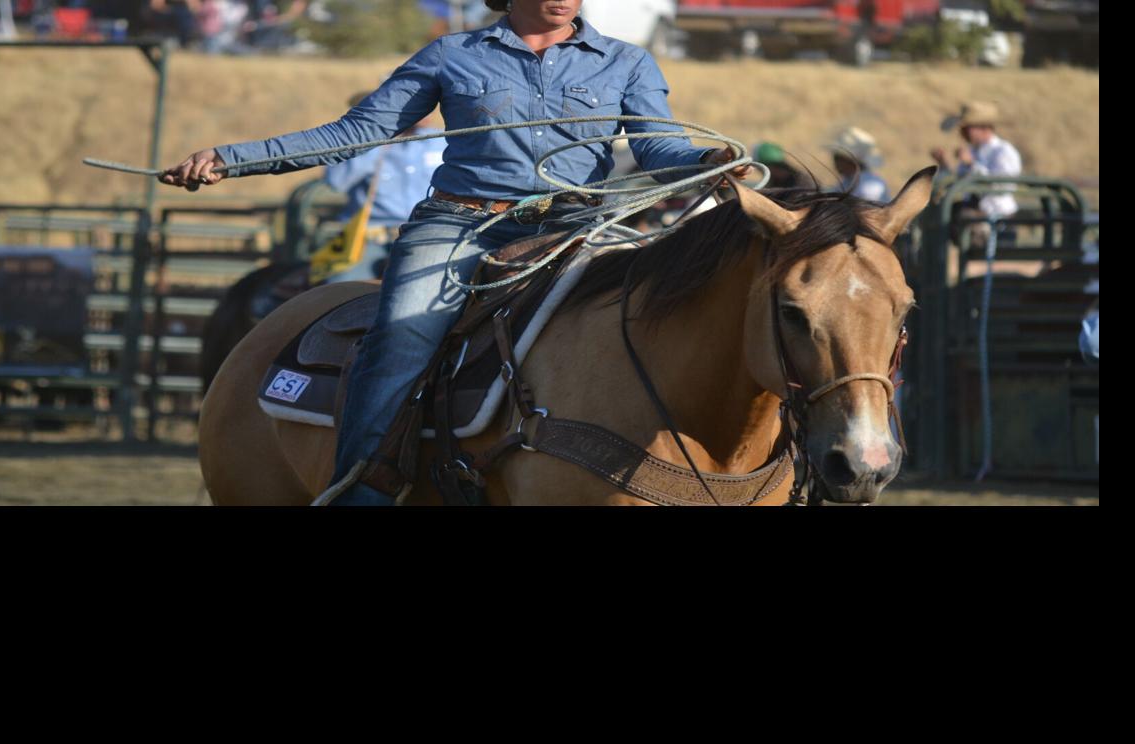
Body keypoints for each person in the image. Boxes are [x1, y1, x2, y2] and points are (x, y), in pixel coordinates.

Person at [160, 0, 744, 505]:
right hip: (464, 221)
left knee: (651, 317)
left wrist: (702, 165)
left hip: (579, 225)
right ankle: (360, 488)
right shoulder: (452, 54)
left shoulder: (626, 61)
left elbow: (657, 144)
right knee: (402, 337)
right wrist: (231, 159)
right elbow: (355, 132)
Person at [315, 92, 446, 283]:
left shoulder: (440, 142)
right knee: (342, 284)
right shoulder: (366, 143)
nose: (427, 112)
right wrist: (375, 141)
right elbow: (336, 182)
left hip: (425, 232)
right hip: (371, 238)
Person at [930, 100, 1022, 249]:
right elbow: (959, 182)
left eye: (968, 128)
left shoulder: (1003, 151)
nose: (963, 133)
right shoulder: (974, 152)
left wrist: (971, 164)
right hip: (975, 217)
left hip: (998, 221)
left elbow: (1003, 186)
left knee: (959, 215)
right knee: (936, 213)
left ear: (985, 128)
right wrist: (944, 164)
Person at [827, 127, 888, 202]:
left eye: (837, 158)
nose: (835, 163)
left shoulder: (870, 186)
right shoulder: (848, 181)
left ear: (849, 161)